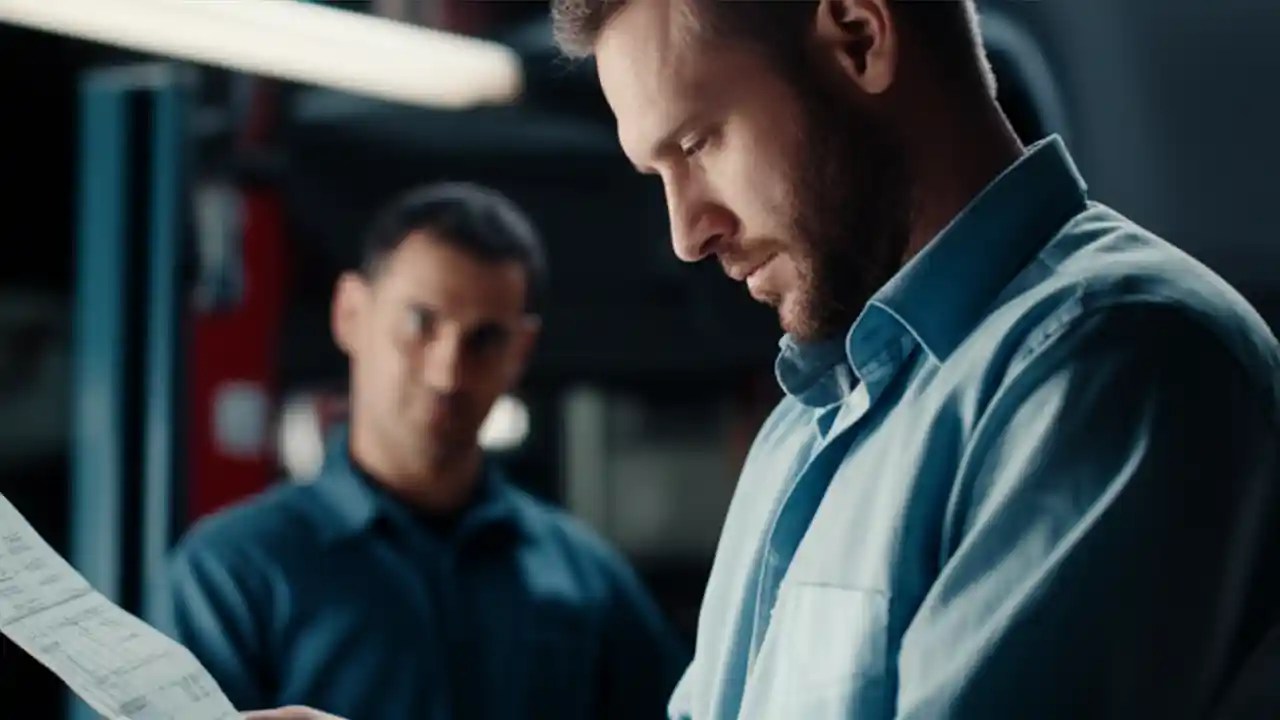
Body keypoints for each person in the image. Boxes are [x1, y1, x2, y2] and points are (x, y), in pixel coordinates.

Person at [541, 0, 1276, 719]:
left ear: (859, 38)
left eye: (700, 144)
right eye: (658, 173)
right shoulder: (801, 427)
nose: (686, 234)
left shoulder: (1114, 366)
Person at [169, 183, 689, 720]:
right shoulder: (233, 572)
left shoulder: (588, 581)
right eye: (421, 322)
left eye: (484, 339)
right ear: (351, 313)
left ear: (521, 351)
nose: (448, 372)